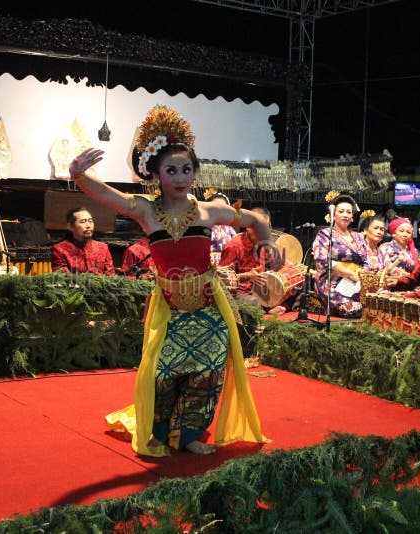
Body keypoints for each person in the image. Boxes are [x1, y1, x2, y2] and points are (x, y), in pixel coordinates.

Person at [70, 105, 276, 457]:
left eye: (186, 169)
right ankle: (159, 431)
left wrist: (268, 240)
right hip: (169, 310)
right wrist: (78, 175)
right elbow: (106, 195)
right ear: (157, 175)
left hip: (210, 308)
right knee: (162, 374)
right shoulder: (146, 211)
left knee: (209, 373)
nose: (181, 177)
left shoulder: (209, 211)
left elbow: (255, 219)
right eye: (171, 170)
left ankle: (190, 433)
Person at [219, 206, 291, 315]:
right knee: (252, 302)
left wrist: (289, 267)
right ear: (248, 227)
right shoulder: (234, 247)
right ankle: (267, 310)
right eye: (260, 227)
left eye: (266, 227)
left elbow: (276, 263)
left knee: (295, 290)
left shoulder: (263, 244)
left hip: (260, 292)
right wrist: (247, 276)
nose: (264, 231)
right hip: (240, 295)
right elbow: (221, 279)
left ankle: (269, 307)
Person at [312, 193, 368, 318]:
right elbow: (322, 259)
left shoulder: (358, 236)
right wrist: (351, 274)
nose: (345, 215)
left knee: (375, 306)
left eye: (348, 212)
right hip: (333, 281)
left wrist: (362, 276)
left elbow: (367, 259)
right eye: (341, 211)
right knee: (353, 308)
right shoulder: (325, 234)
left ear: (352, 216)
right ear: (333, 215)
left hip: (358, 282)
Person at [51, 207, 115, 275]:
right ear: (70, 226)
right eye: (83, 222)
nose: (88, 225)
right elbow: (62, 278)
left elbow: (110, 275)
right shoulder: (60, 249)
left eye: (90, 221)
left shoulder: (102, 248)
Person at [204, 189, 238, 266]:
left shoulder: (230, 229)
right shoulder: (203, 226)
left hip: (228, 265)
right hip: (207, 265)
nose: (218, 211)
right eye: (215, 207)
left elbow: (237, 247)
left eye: (222, 208)